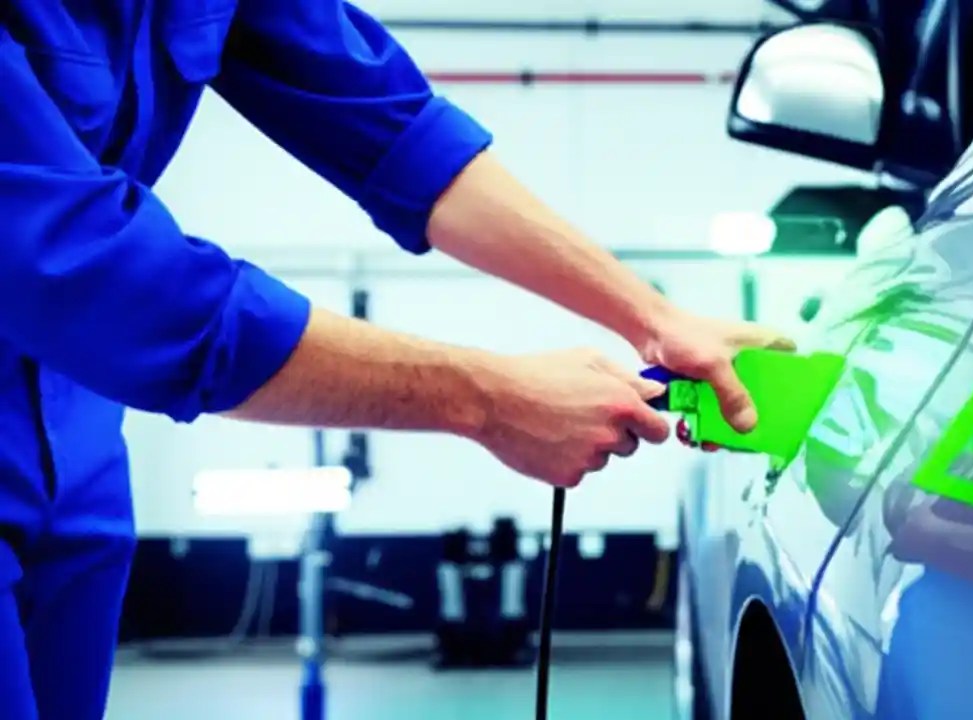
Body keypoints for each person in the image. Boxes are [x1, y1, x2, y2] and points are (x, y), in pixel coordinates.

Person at [0, 3, 792, 718]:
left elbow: (395, 130)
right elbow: (98, 277)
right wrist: (489, 399)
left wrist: (654, 319)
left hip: (76, 436)